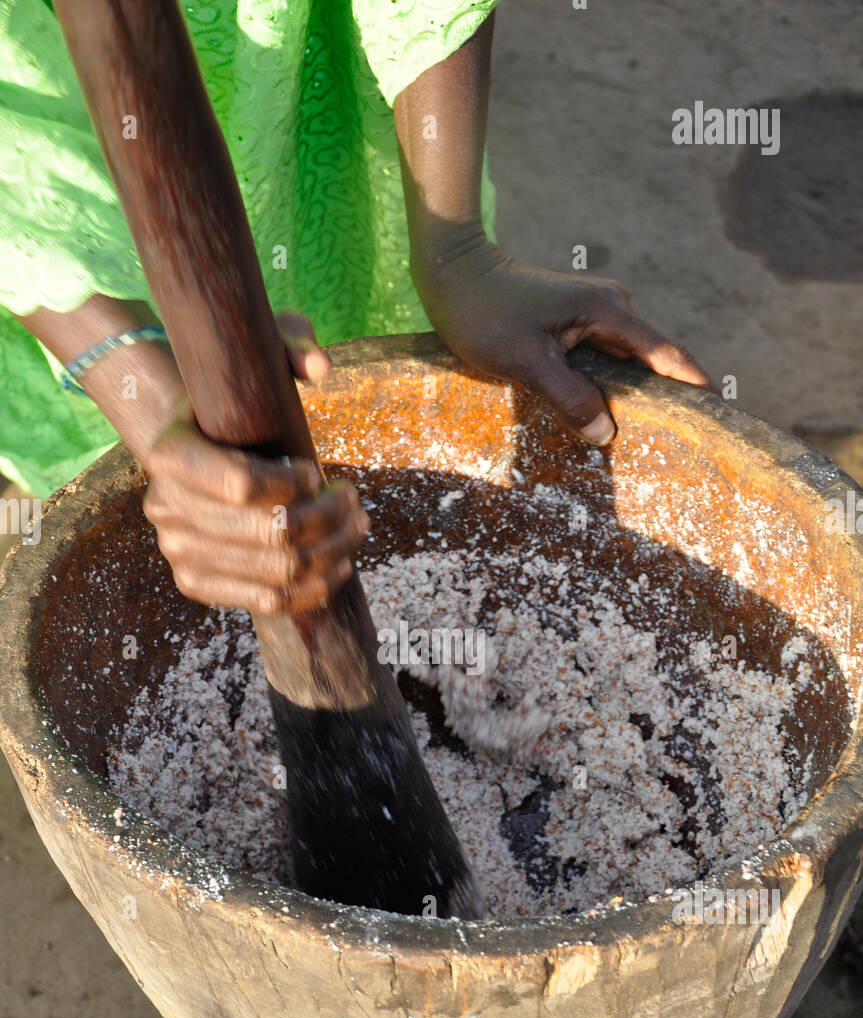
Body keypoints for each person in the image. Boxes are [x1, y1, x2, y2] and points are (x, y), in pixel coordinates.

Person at [0, 0, 710, 616]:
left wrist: (454, 247)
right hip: (43, 225)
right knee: (139, 486)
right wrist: (149, 395)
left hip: (300, 138)